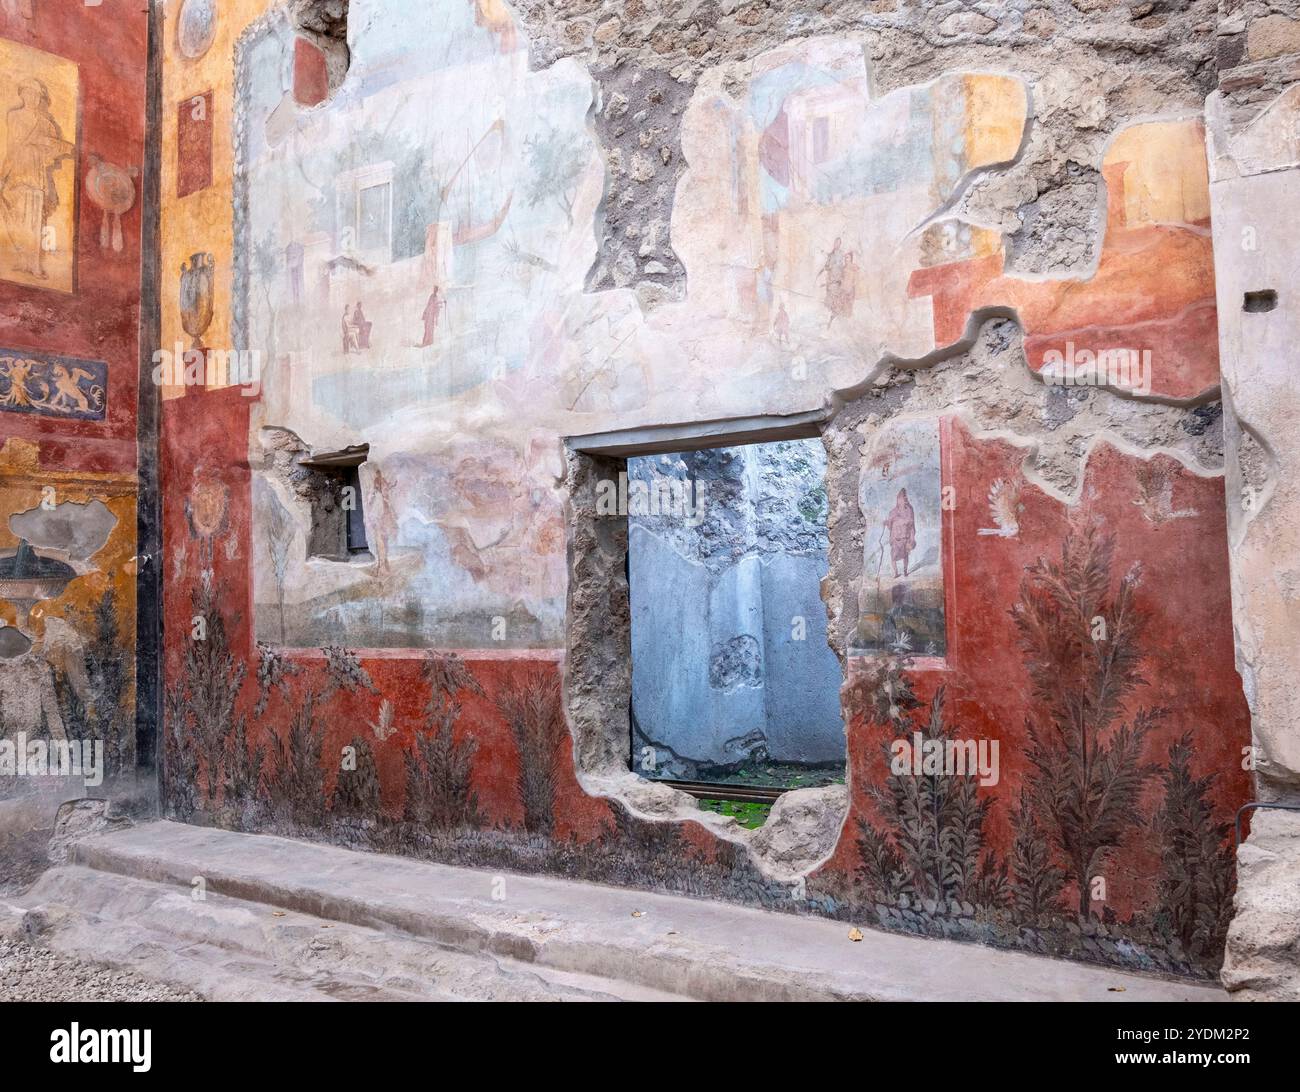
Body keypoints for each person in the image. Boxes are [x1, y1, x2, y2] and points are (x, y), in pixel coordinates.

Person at [0, 77, 75, 280]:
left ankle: (34, 265)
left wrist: (60, 147)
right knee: (16, 214)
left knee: (35, 218)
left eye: (36, 95)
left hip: (36, 174)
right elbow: (14, 144)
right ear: (22, 94)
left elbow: (53, 148)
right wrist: (3, 174)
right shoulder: (14, 116)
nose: (32, 98)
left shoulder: (46, 123)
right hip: (17, 170)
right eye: (28, 93)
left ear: (40, 98)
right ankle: (22, 259)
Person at [883, 488, 917, 578]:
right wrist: (886, 523)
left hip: (905, 537)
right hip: (896, 538)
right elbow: (890, 525)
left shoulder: (910, 510)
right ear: (898, 500)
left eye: (905, 498)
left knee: (905, 555)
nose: (905, 500)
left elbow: (912, 525)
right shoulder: (893, 512)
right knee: (893, 556)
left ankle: (905, 571)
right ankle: (896, 573)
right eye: (902, 498)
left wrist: (912, 538)